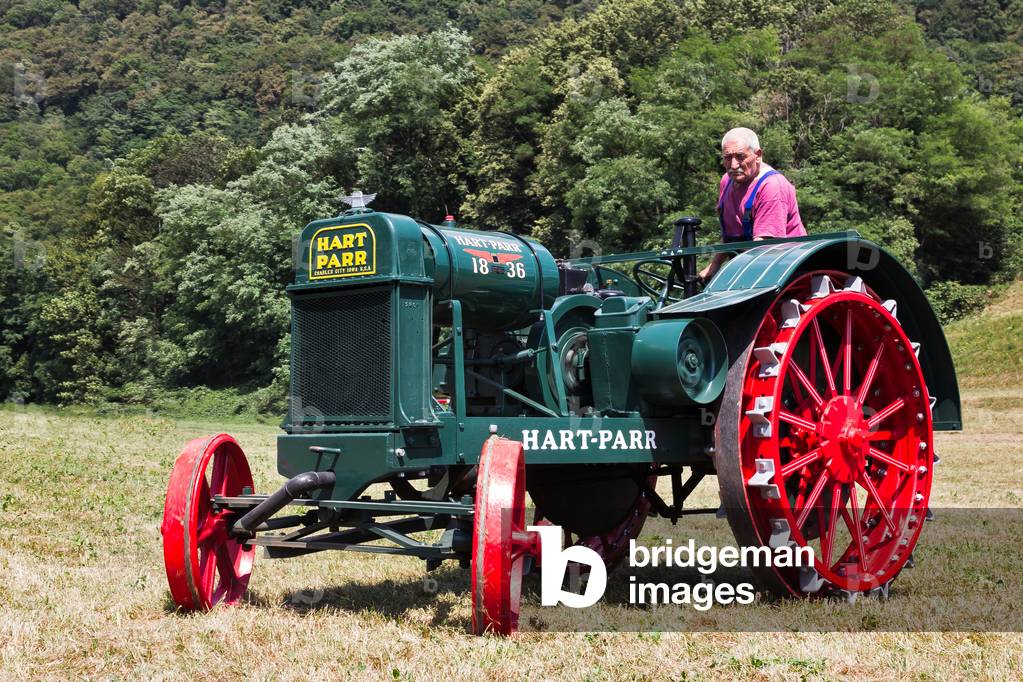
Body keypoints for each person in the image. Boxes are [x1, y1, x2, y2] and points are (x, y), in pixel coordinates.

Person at [699, 127, 806, 282]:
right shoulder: (726, 181)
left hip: (785, 267)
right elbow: (729, 236)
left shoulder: (771, 186)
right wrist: (714, 265)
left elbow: (765, 246)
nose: (734, 165)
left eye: (740, 157)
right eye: (728, 158)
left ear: (758, 155)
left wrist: (729, 277)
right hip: (748, 261)